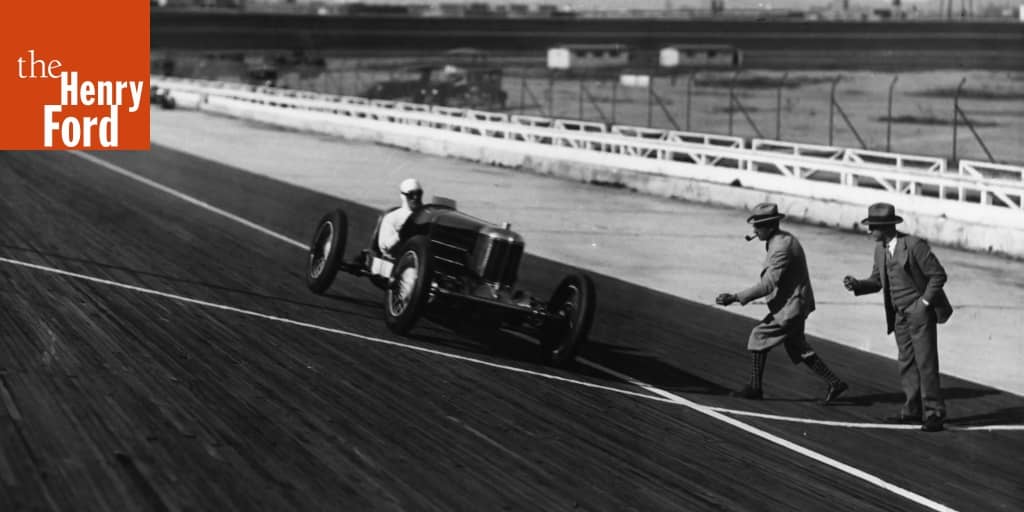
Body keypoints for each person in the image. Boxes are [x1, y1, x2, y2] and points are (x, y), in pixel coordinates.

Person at [716, 202, 848, 404]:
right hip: (795, 303)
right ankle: (835, 383)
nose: (754, 231)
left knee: (758, 337)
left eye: (758, 227)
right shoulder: (780, 240)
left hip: (791, 306)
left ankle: (755, 387)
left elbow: (767, 284)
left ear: (769, 227)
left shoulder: (780, 247)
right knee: (797, 345)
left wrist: (735, 297)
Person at [842, 203, 952, 433]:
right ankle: (913, 410)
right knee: (907, 362)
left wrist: (924, 304)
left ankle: (934, 413)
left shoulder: (914, 246)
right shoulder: (880, 249)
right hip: (899, 314)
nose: (870, 231)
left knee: (926, 363)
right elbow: (877, 280)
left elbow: (938, 275)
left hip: (919, 313)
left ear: (886, 227)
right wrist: (858, 285)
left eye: (873, 227)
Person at [378, 178, 423, 257]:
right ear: (403, 196)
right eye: (411, 195)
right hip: (397, 261)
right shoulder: (392, 217)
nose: (415, 197)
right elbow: (385, 247)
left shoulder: (426, 216)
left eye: (418, 194)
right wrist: (400, 235)